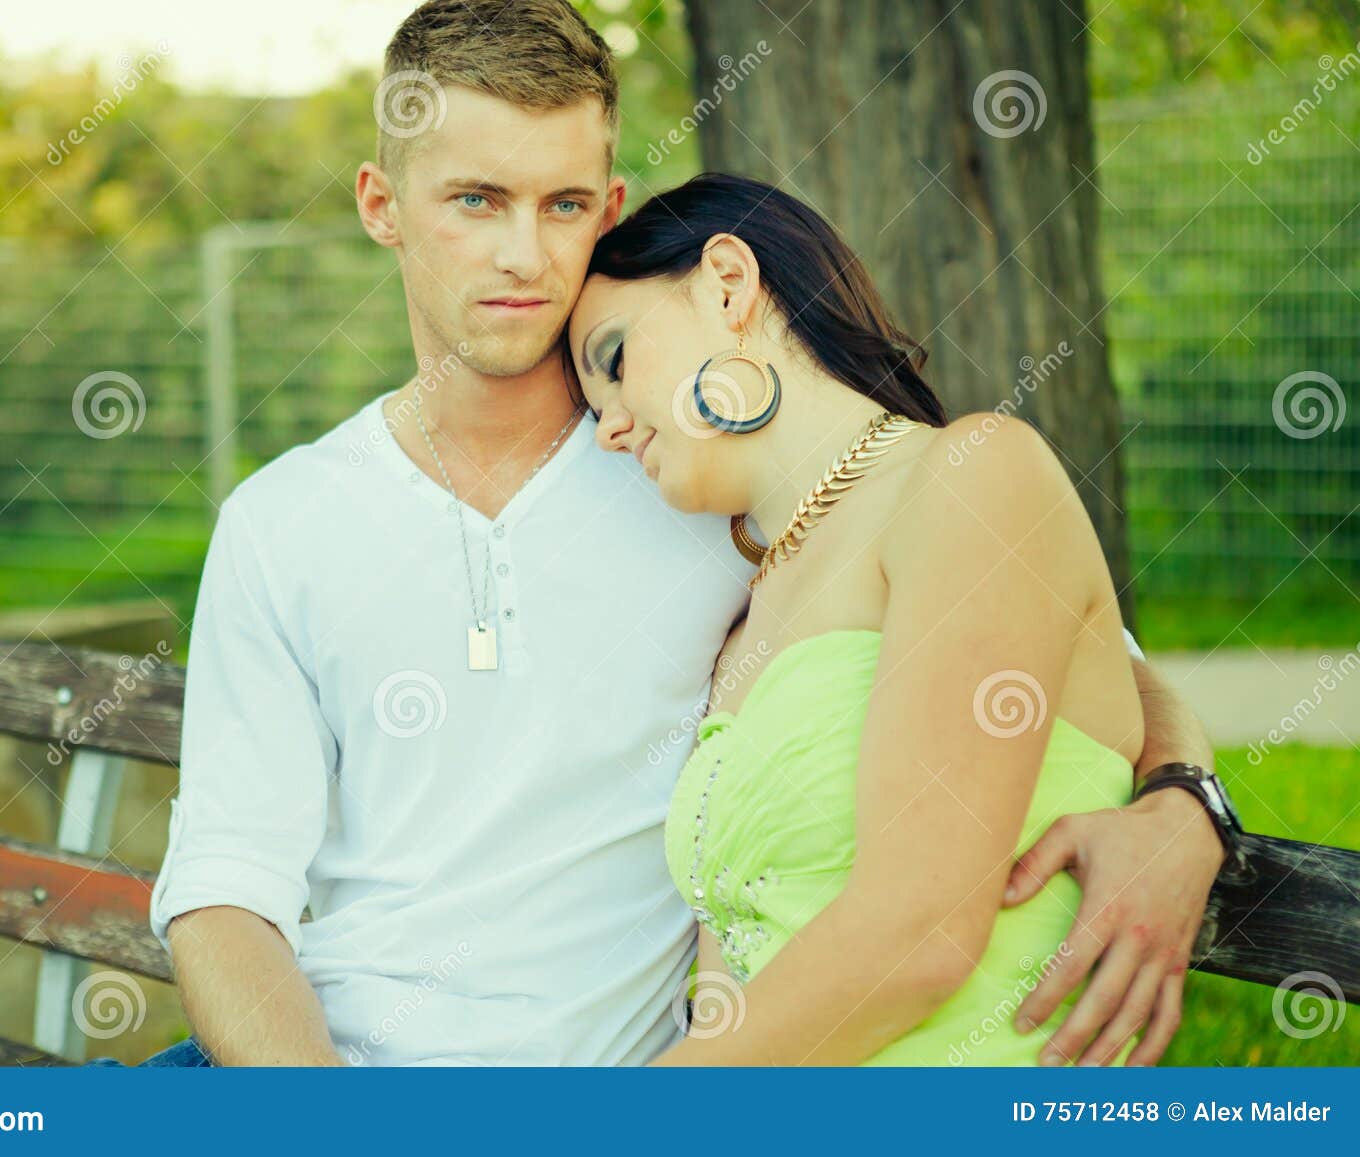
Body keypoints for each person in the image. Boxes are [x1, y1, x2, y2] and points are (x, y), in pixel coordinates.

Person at [104, 0, 1224, 1069]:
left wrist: (1183, 801)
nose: (524, 256)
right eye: (475, 201)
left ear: (609, 203)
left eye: (562, 205)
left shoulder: (703, 486)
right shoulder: (284, 520)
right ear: (381, 204)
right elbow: (224, 890)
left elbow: (1080, 653)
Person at [569, 171, 1222, 1065]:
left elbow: (919, 935)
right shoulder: (742, 618)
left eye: (611, 361)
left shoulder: (976, 473)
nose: (607, 426)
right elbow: (735, 972)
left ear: (728, 282)